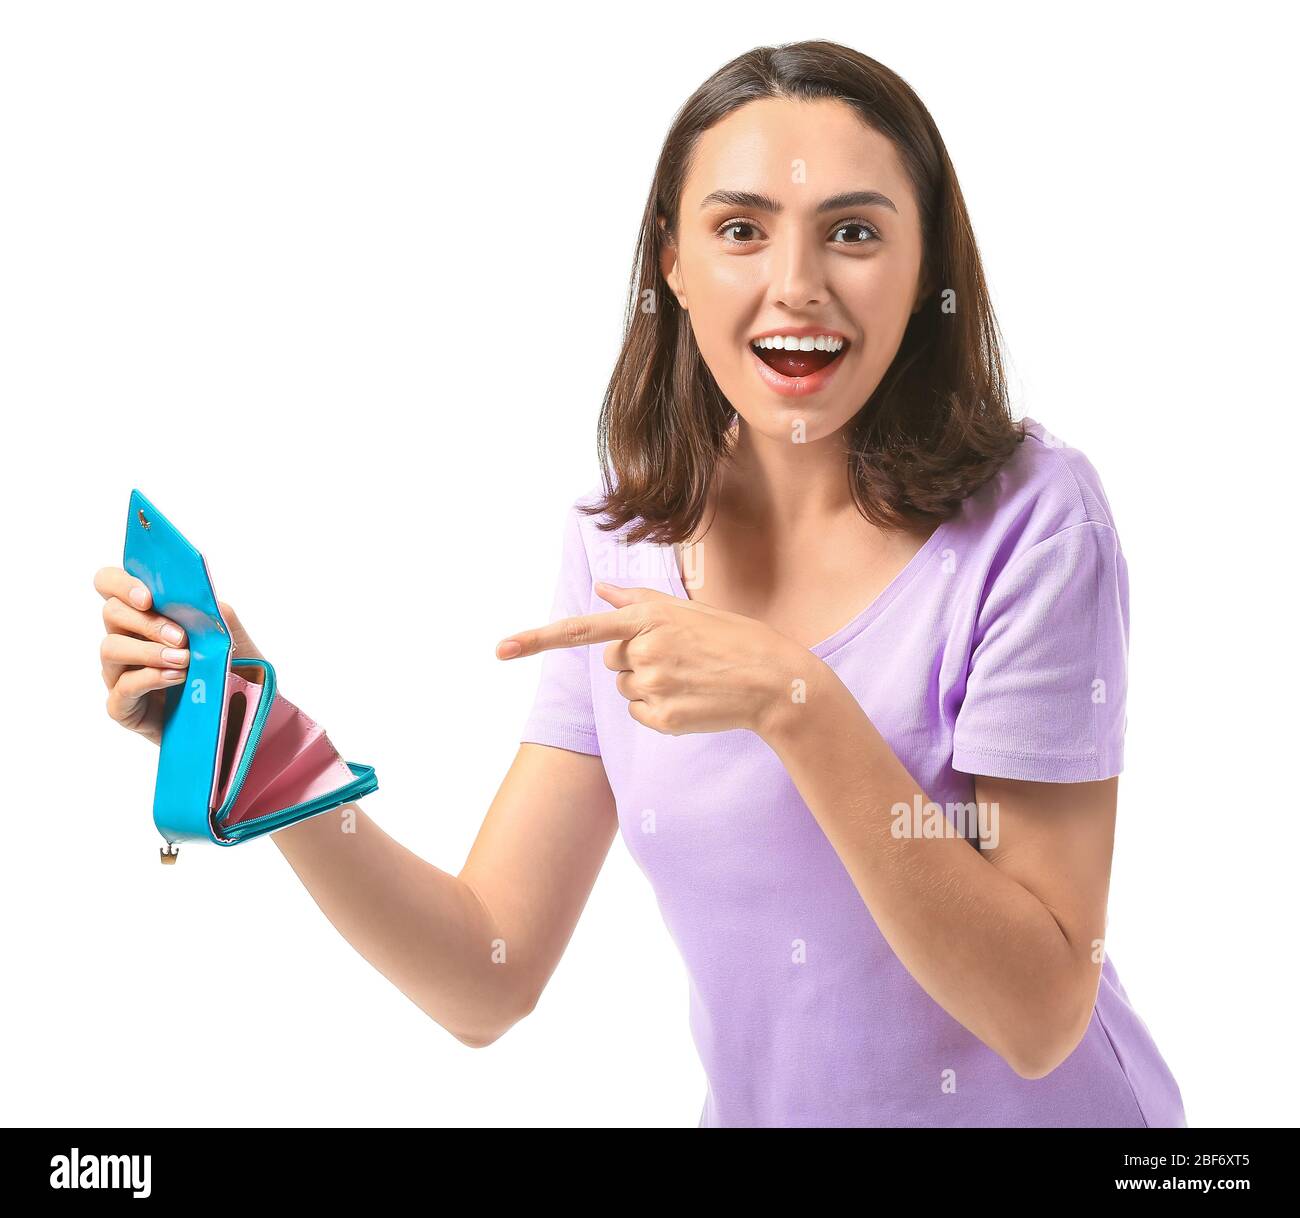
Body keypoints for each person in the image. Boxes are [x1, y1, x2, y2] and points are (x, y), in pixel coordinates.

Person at [96, 39, 1185, 1127]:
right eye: (739, 231)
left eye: (852, 232)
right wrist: (271, 754)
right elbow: (489, 973)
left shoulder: (1037, 525)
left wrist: (794, 701)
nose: (794, 287)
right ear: (672, 258)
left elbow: (1041, 1014)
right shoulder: (620, 540)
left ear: (928, 264)